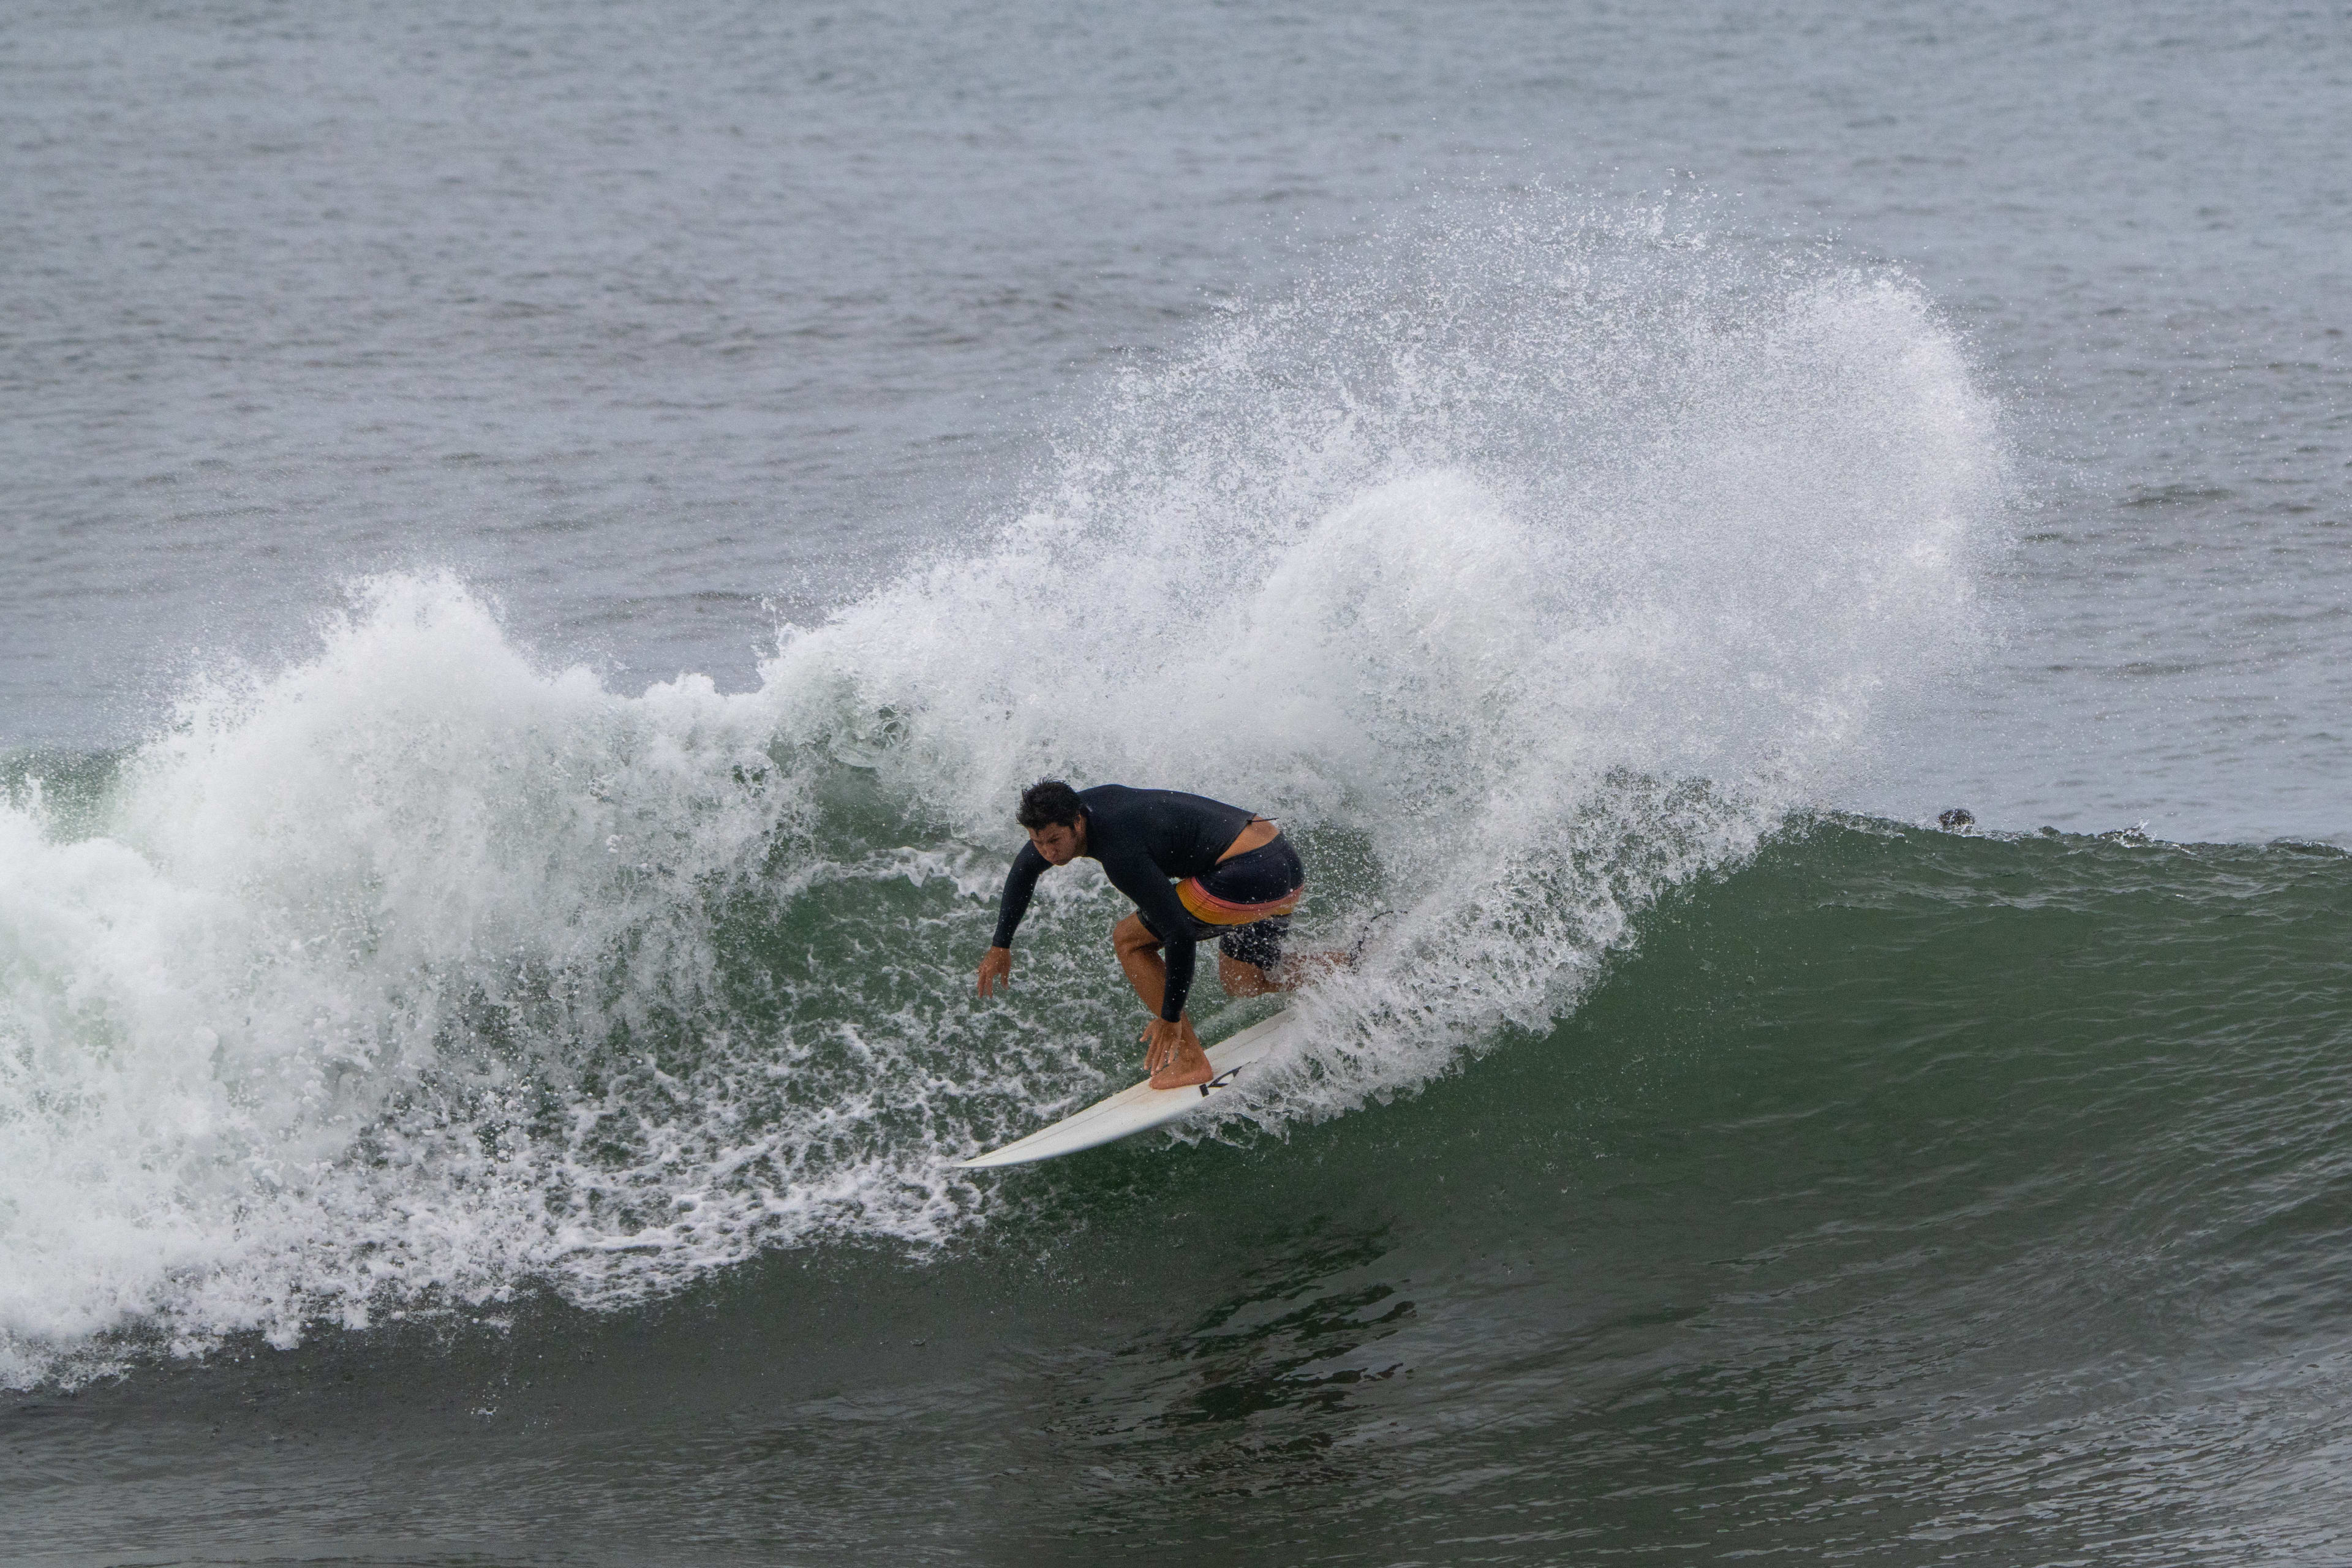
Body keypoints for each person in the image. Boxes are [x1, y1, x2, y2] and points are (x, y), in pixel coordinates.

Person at [974, 779, 1335, 1089]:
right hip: (1281, 860)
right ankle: (1348, 965)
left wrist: (1170, 1016)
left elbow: (1178, 933)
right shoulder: (1074, 810)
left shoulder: (1119, 851)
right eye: (1038, 842)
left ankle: (1193, 1061)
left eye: (1054, 841)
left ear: (1078, 823)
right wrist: (1000, 945)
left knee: (1129, 940)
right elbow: (1025, 869)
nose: (1048, 853)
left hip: (1247, 874)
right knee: (1245, 982)